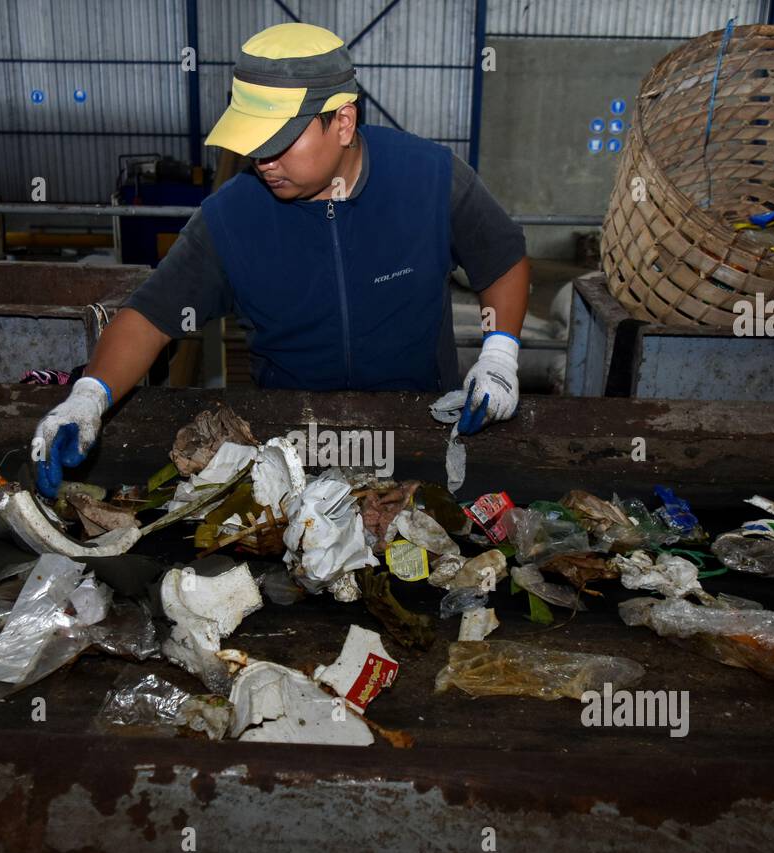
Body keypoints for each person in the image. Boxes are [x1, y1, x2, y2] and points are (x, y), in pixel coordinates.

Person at [33, 22, 529, 497]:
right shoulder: (232, 218)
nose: (263, 161)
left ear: (342, 122)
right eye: (255, 144)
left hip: (421, 428)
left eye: (280, 142)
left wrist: (500, 354)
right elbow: (149, 317)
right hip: (292, 446)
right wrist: (89, 397)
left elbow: (501, 259)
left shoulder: (431, 180)